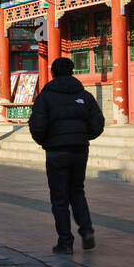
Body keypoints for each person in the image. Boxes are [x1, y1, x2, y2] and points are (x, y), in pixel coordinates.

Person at [29, 57, 105, 254]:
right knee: (77, 190)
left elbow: (37, 125)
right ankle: (86, 230)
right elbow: (98, 123)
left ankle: (65, 241)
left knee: (60, 197)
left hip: (56, 151)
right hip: (80, 149)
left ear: (53, 73)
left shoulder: (45, 96)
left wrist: (45, 141)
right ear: (72, 71)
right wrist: (83, 136)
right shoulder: (85, 95)